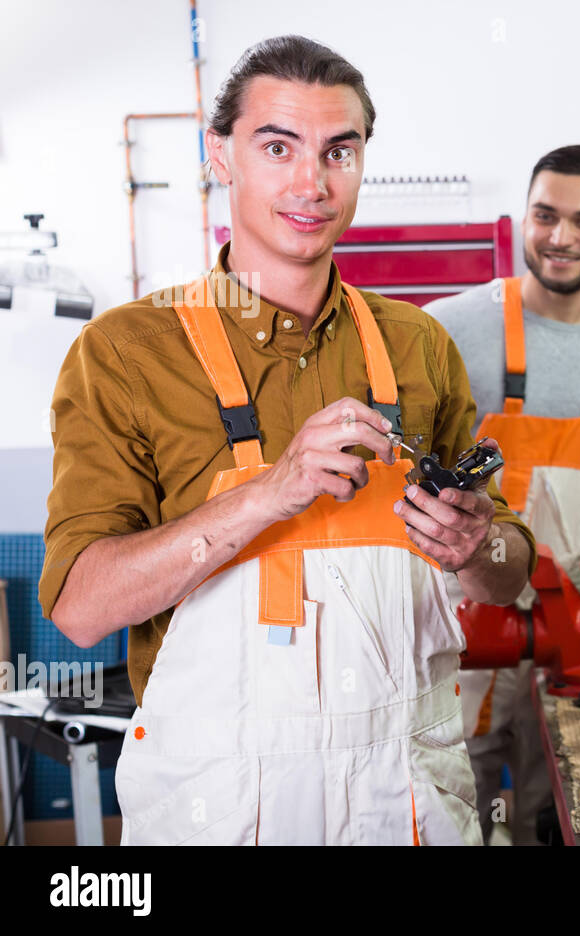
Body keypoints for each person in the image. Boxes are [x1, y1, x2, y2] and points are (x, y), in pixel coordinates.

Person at [38, 35, 536, 845]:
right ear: (220, 155)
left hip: (407, 805)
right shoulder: (126, 353)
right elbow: (81, 609)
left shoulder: (421, 346)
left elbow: (509, 578)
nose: (312, 182)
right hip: (222, 813)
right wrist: (269, 493)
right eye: (278, 147)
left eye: (340, 150)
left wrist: (479, 548)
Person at [427, 145, 580, 845]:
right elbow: (401, 474)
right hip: (458, 622)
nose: (561, 237)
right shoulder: (444, 328)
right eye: (545, 215)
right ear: (524, 216)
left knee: (560, 804)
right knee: (450, 798)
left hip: (577, 636)